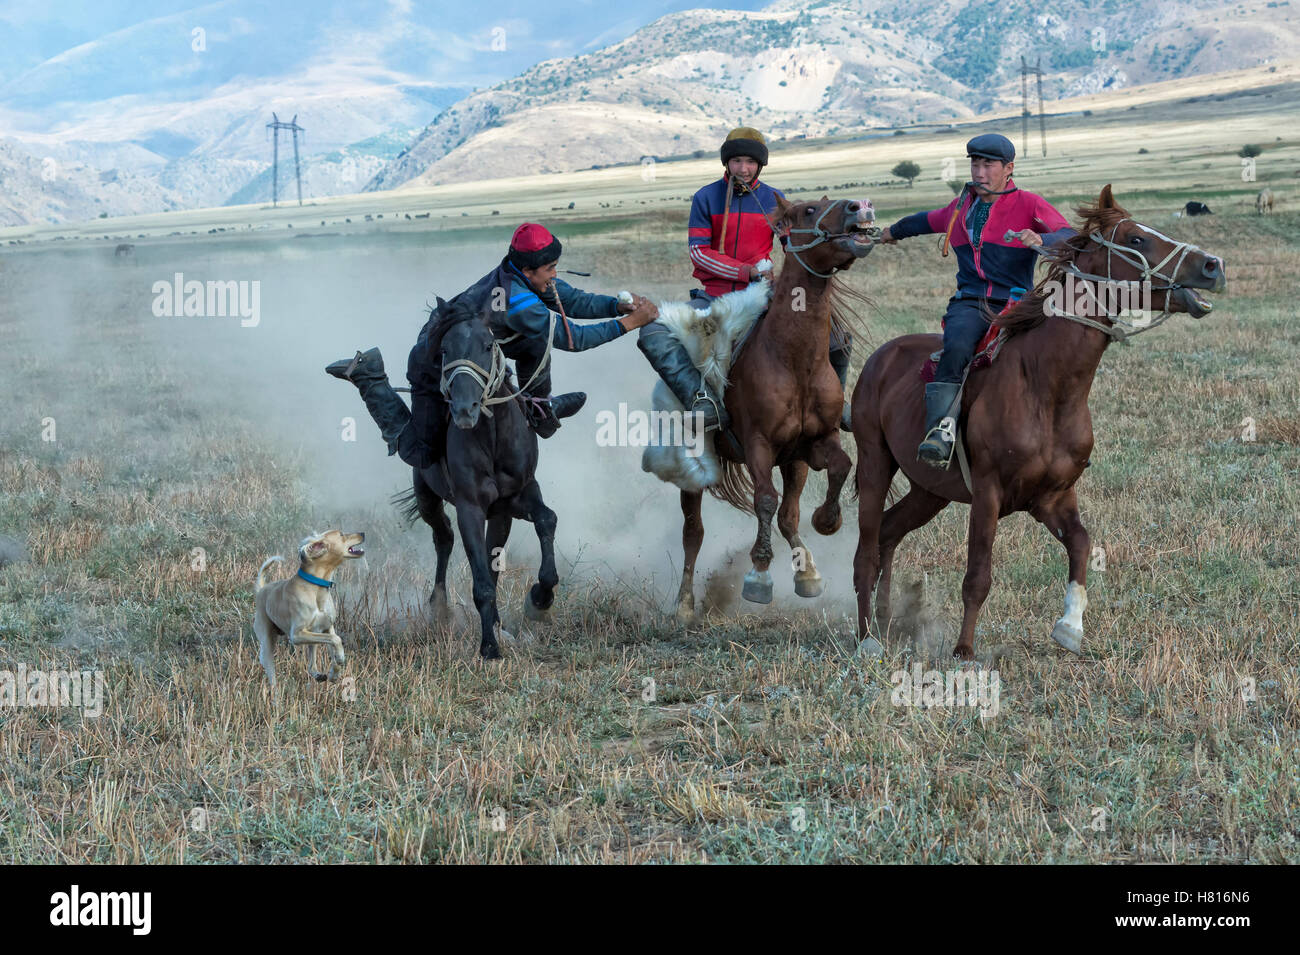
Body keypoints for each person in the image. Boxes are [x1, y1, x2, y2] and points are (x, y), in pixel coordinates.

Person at [325, 222, 659, 466]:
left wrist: (617, 306)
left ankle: (537, 406)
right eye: (550, 268)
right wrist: (632, 323)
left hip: (476, 350)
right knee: (421, 453)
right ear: (527, 270)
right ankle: (370, 376)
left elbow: (568, 298)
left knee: (531, 345)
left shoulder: (521, 273)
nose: (555, 275)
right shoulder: (517, 301)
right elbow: (574, 340)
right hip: (437, 359)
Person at [638, 126, 855, 438]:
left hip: (764, 295)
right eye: (737, 161)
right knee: (655, 332)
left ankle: (836, 401)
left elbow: (793, 247)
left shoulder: (775, 201)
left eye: (750, 162)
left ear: (760, 165)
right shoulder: (705, 198)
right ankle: (701, 400)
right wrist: (746, 272)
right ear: (727, 163)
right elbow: (699, 253)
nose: (743, 168)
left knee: (837, 335)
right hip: (713, 296)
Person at [877, 133, 1074, 468]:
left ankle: (1063, 434)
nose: (979, 173)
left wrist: (1042, 237)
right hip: (972, 302)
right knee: (956, 347)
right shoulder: (960, 210)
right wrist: (890, 232)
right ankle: (939, 430)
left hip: (1019, 302)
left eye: (988, 165)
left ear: (1008, 168)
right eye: (975, 163)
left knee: (1058, 350)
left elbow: (1068, 235)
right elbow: (924, 221)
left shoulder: (1029, 204)